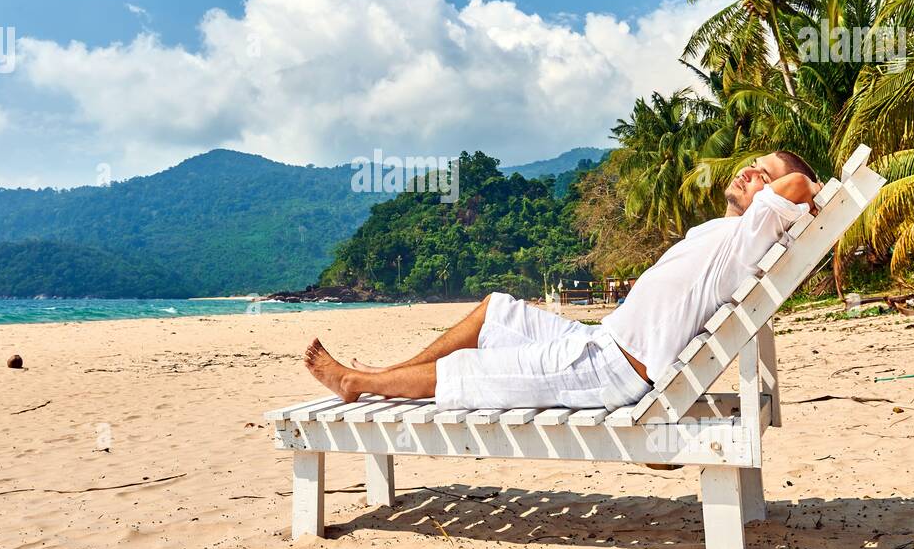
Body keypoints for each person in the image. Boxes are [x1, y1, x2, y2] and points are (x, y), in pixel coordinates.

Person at [304, 151, 821, 411]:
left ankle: (357, 383)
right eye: (751, 166)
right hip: (598, 342)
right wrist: (778, 181)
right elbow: (788, 185)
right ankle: (389, 370)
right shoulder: (730, 230)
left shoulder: (755, 234)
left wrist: (804, 182)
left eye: (762, 173)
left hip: (611, 368)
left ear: (776, 199)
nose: (749, 172)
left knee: (465, 367)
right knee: (496, 308)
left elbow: (799, 184)